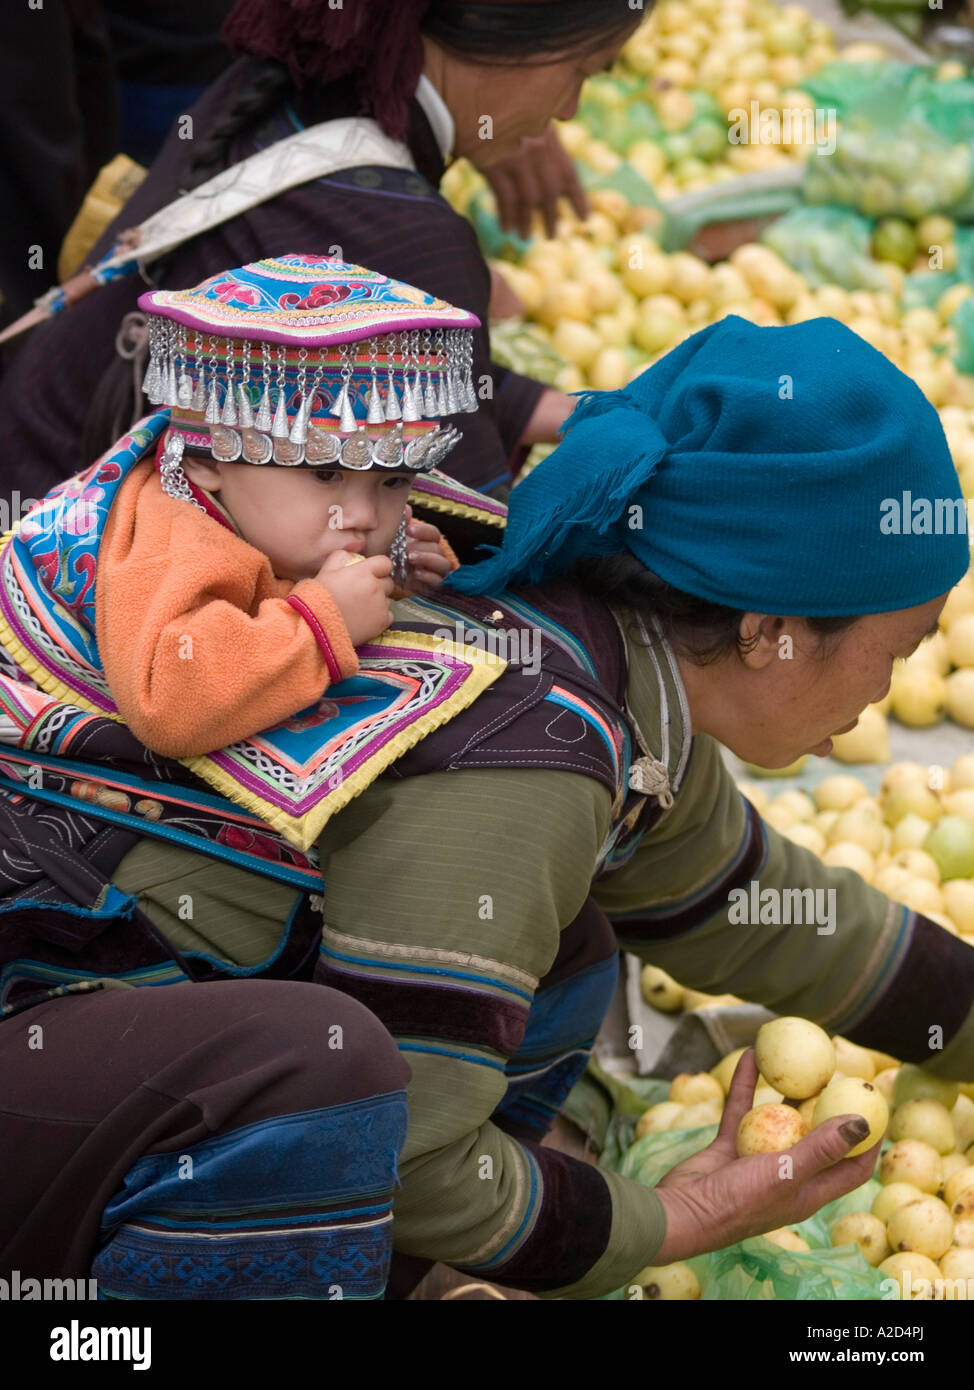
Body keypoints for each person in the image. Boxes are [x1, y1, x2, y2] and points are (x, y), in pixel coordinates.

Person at [3, 314, 973, 1300]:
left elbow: (749, 902)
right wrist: (670, 1221)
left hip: (120, 1034)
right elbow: (411, 1159)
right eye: (892, 650)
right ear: (768, 629)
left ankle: (387, 1265)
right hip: (41, 1034)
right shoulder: (530, 752)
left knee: (567, 950)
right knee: (319, 1083)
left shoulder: (602, 662)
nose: (885, 695)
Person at [0, 0, 644, 507]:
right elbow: (468, 540)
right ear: (499, 34)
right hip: (82, 591)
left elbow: (340, 364)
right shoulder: (407, 233)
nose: (570, 110)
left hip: (34, 487)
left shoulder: (275, 88)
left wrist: (556, 412)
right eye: (581, 71)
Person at [88, 254, 471, 759]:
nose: (363, 516)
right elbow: (169, 708)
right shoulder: (175, 542)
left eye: (394, 480)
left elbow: (311, 569)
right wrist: (320, 625)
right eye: (324, 473)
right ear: (208, 463)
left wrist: (403, 568)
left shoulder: (265, 511)